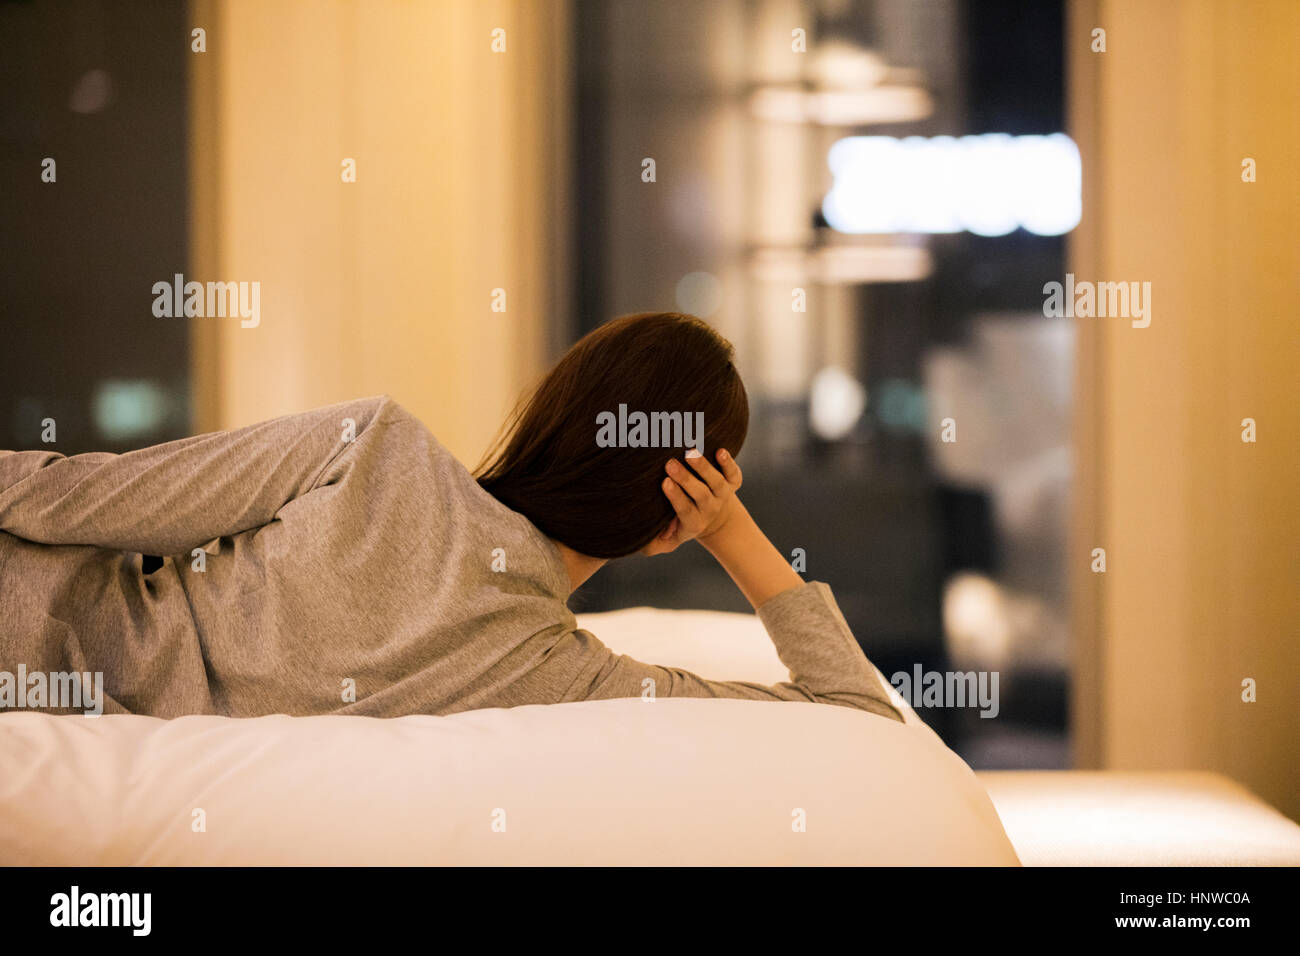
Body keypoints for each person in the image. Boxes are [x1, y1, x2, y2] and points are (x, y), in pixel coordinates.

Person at [0, 312, 901, 721]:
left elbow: (78, 495)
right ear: (669, 522)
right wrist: (730, 532)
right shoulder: (555, 678)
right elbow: (853, 706)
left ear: (550, 406)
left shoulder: (374, 446)